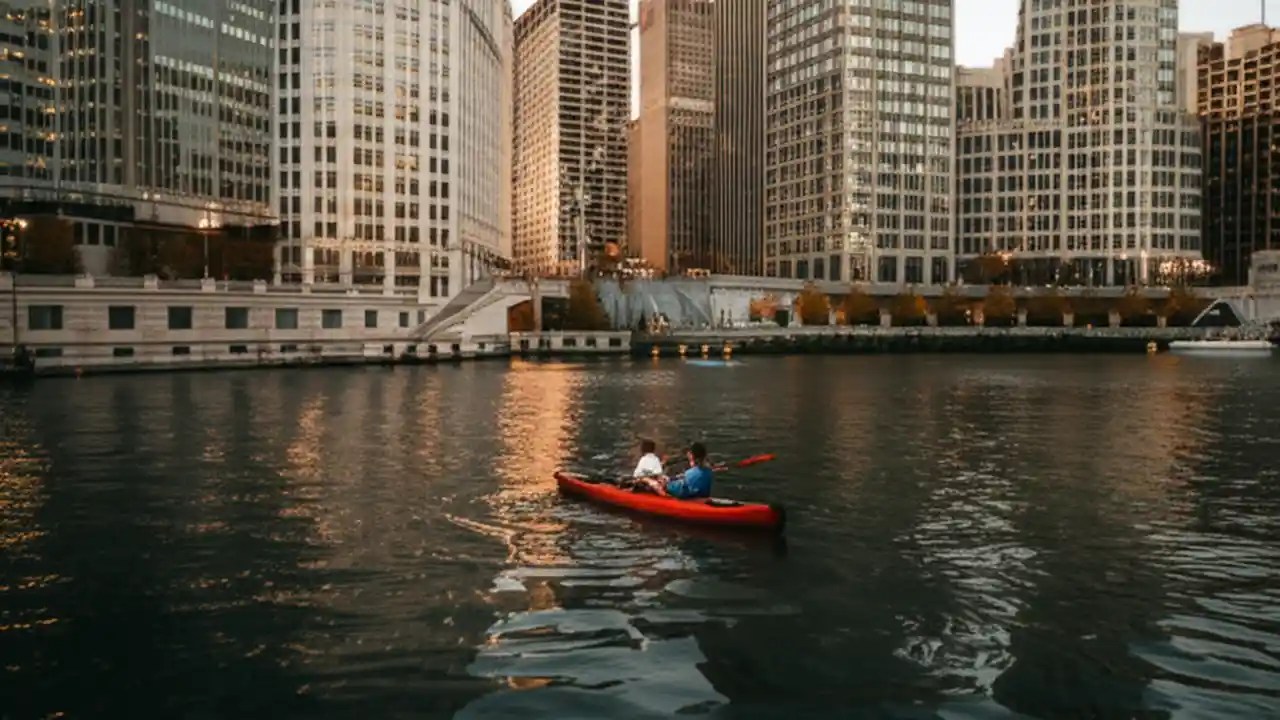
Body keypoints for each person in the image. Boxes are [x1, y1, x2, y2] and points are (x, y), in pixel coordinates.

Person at [637, 442, 714, 499]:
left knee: (649, 480)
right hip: (700, 496)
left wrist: (663, 482)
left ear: (691, 455)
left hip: (682, 495)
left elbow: (677, 491)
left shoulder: (690, 473)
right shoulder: (708, 471)